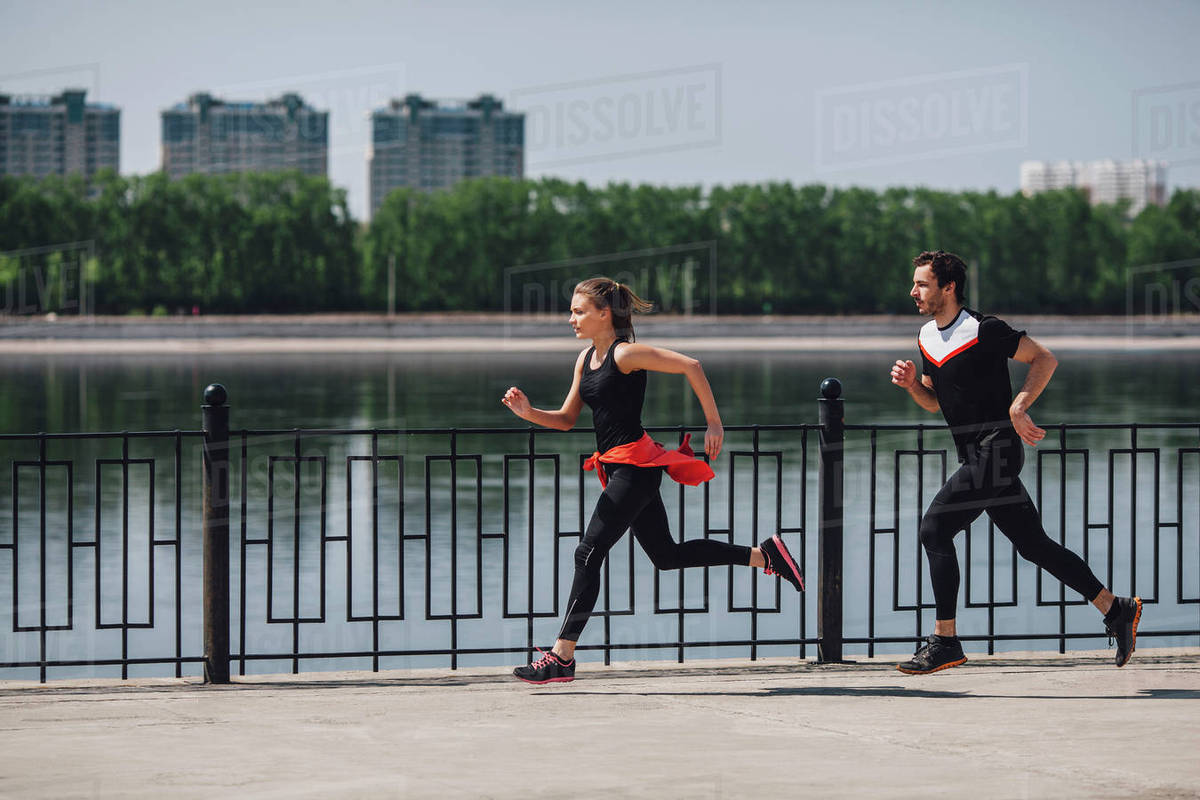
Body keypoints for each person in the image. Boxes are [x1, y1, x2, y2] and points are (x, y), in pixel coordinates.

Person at [502, 277, 804, 684]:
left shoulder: (626, 354)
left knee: (587, 552)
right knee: (666, 556)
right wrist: (527, 412)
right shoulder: (585, 359)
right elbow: (566, 419)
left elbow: (690, 366)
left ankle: (562, 656)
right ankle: (764, 555)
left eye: (578, 311)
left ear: (603, 314)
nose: (570, 318)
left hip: (635, 469)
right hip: (621, 469)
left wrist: (714, 423)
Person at [889, 250, 1142, 674]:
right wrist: (914, 386)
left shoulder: (984, 330)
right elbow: (935, 404)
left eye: (922, 284)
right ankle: (1116, 607)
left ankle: (945, 641)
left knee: (934, 527)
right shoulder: (926, 338)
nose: (913, 291)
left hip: (998, 450)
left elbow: (1045, 358)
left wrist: (1018, 405)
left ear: (948, 288)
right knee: (1033, 545)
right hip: (976, 456)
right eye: (915, 283)